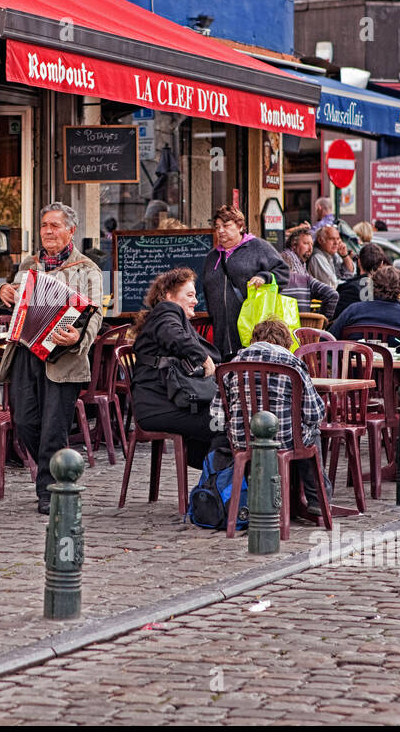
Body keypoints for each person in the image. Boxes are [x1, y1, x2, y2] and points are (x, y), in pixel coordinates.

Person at [0, 204, 103, 515]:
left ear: (71, 231)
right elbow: (12, 300)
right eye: (44, 225)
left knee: (54, 428)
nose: (48, 231)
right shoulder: (29, 265)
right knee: (24, 421)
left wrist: (79, 338)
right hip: (26, 353)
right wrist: (3, 291)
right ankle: (54, 471)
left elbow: (95, 316)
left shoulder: (87, 270)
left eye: (55, 226)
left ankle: (50, 491)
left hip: (63, 359)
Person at [209, 318, 330, 511]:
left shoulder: (232, 364)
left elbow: (217, 414)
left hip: (243, 440)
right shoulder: (292, 364)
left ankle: (251, 495)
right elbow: (314, 414)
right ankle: (317, 499)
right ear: (286, 342)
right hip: (286, 440)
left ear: (254, 339)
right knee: (311, 432)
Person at [128, 268, 221, 469]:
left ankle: (217, 482)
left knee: (223, 420)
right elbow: (173, 335)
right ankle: (221, 485)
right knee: (227, 425)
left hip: (168, 405)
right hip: (159, 408)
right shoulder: (166, 312)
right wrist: (202, 359)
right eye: (189, 295)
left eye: (195, 295)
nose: (195, 300)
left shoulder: (167, 317)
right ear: (169, 297)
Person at [201, 205, 290, 360]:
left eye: (226, 226)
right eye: (217, 227)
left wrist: (264, 277)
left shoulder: (258, 247)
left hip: (251, 327)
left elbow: (283, 271)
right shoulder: (212, 257)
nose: (221, 231)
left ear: (240, 226)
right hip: (221, 329)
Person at [329, 265, 400, 343]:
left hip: (356, 367)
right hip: (397, 368)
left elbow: (328, 340)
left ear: (372, 286)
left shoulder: (353, 311)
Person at [279, 224, 339, 322]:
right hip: (289, 319)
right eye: (306, 243)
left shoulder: (301, 262)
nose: (310, 248)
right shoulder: (287, 258)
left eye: (311, 244)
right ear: (294, 246)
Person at [335, 243, 387, 318]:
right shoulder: (388, 290)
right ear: (381, 264)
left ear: (359, 262)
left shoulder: (348, 288)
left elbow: (336, 319)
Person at [308, 224, 355, 289]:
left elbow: (350, 274)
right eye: (332, 239)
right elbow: (332, 285)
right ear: (320, 240)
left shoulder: (333, 253)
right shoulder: (317, 257)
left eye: (338, 239)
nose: (336, 243)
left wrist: (345, 256)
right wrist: (352, 283)